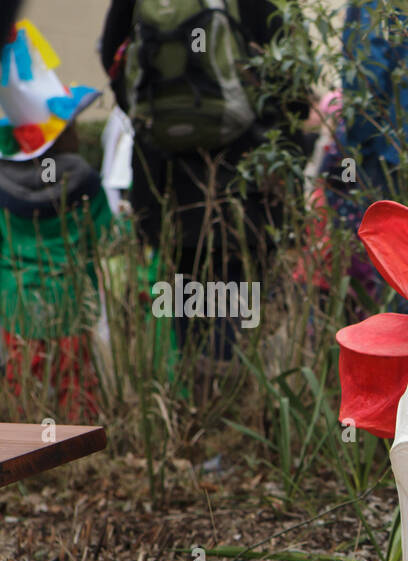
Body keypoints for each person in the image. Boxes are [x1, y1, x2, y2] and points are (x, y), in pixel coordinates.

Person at [99, 0, 310, 368]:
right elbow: (295, 83)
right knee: (236, 305)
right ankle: (227, 408)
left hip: (165, 184)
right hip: (247, 182)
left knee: (185, 298)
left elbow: (113, 60)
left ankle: (193, 404)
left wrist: (162, 123)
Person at [0, 20, 112, 422]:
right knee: (76, 384)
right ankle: (78, 456)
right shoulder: (84, 180)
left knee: (20, 385)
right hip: (70, 298)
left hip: (15, 303)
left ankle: (22, 455)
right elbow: (107, 238)